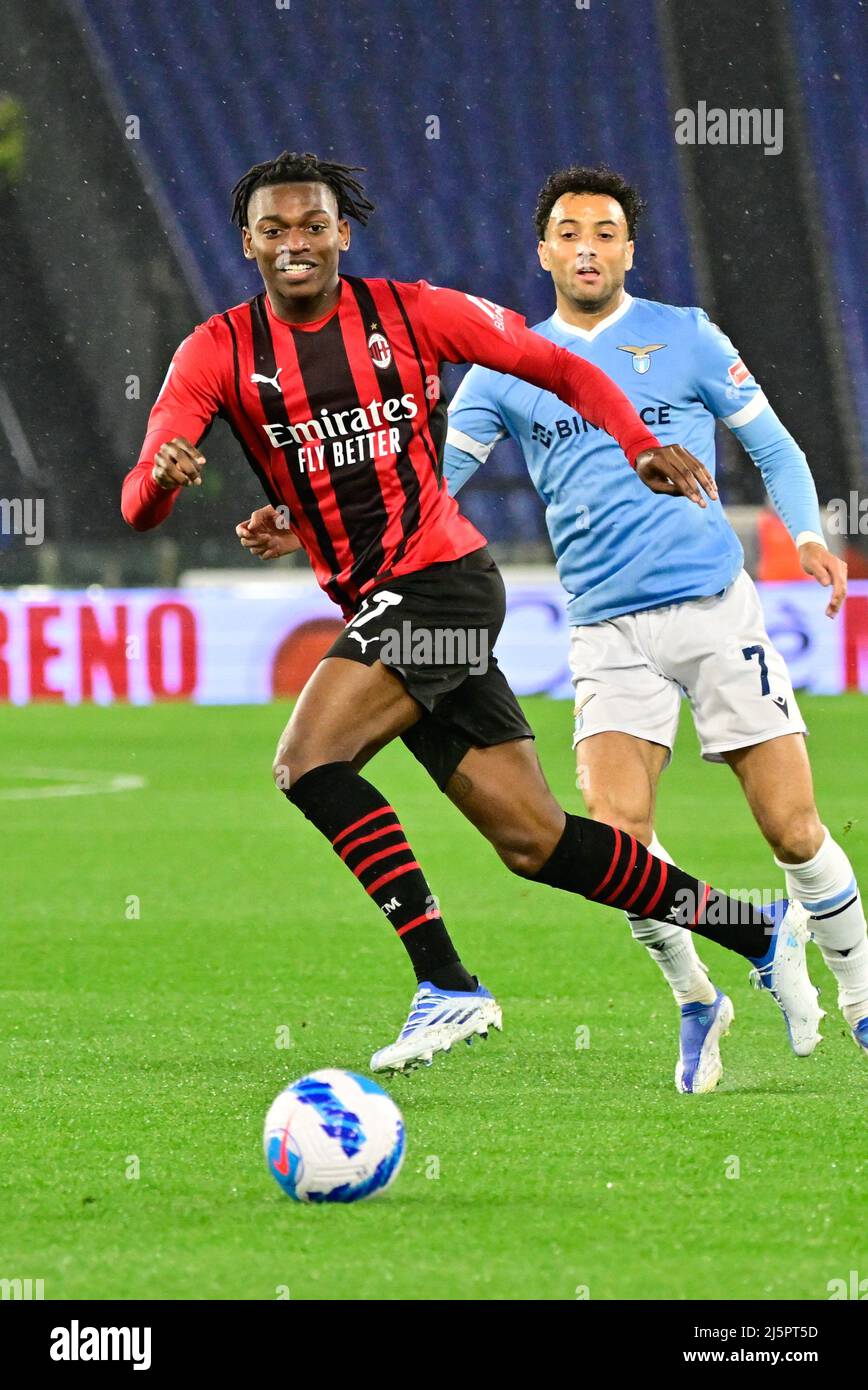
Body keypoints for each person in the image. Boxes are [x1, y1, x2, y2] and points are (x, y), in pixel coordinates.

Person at [122, 150, 817, 1079]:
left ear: (342, 233)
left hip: (442, 584)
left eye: (314, 224)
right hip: (386, 601)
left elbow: (556, 366)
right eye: (274, 228)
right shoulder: (215, 353)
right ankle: (755, 931)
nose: (296, 242)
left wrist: (639, 442)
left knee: (308, 762)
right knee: (536, 841)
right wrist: (163, 478)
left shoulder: (411, 312)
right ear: (247, 243)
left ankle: (446, 983)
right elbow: (138, 501)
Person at [443, 163, 865, 1091]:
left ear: (629, 249)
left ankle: (860, 993)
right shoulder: (506, 366)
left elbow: (775, 447)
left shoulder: (686, 335)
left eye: (605, 233)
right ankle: (697, 997)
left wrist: (808, 536)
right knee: (619, 840)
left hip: (714, 611)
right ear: (543, 251)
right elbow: (432, 486)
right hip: (606, 629)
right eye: (569, 233)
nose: (587, 248)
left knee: (793, 829)